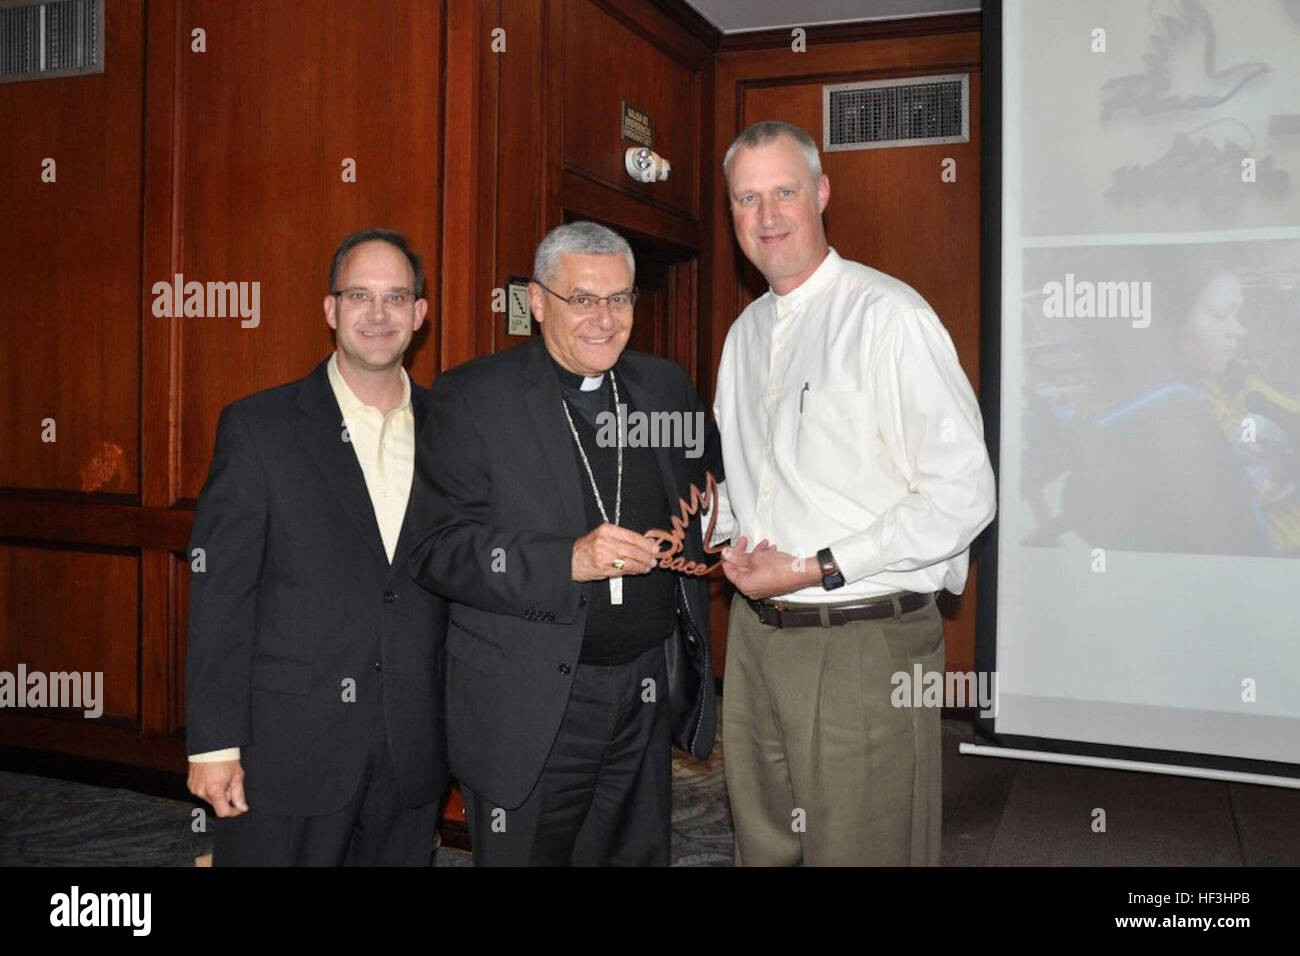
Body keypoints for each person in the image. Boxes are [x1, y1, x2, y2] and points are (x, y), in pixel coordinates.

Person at [711, 120, 996, 866]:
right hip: (754, 639)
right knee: (762, 847)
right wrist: (718, 529)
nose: (767, 215)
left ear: (822, 194)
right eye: (747, 198)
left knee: (864, 852)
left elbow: (964, 494)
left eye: (784, 192)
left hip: (864, 643)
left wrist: (816, 567)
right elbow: (757, 487)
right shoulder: (742, 336)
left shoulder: (890, 318)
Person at [409, 221, 720, 866]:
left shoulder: (663, 386)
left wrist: (729, 539)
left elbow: (712, 499)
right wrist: (566, 560)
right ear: (538, 301)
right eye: (583, 299)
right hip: (533, 701)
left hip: (642, 689)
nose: (604, 320)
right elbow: (437, 548)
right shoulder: (472, 398)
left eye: (621, 298)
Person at [185, 229, 449, 865]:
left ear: (419, 314)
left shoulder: (455, 432)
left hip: (413, 750)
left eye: (396, 296)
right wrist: (214, 745)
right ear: (331, 309)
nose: (378, 313)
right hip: (288, 751)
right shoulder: (258, 429)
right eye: (360, 294)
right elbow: (221, 595)